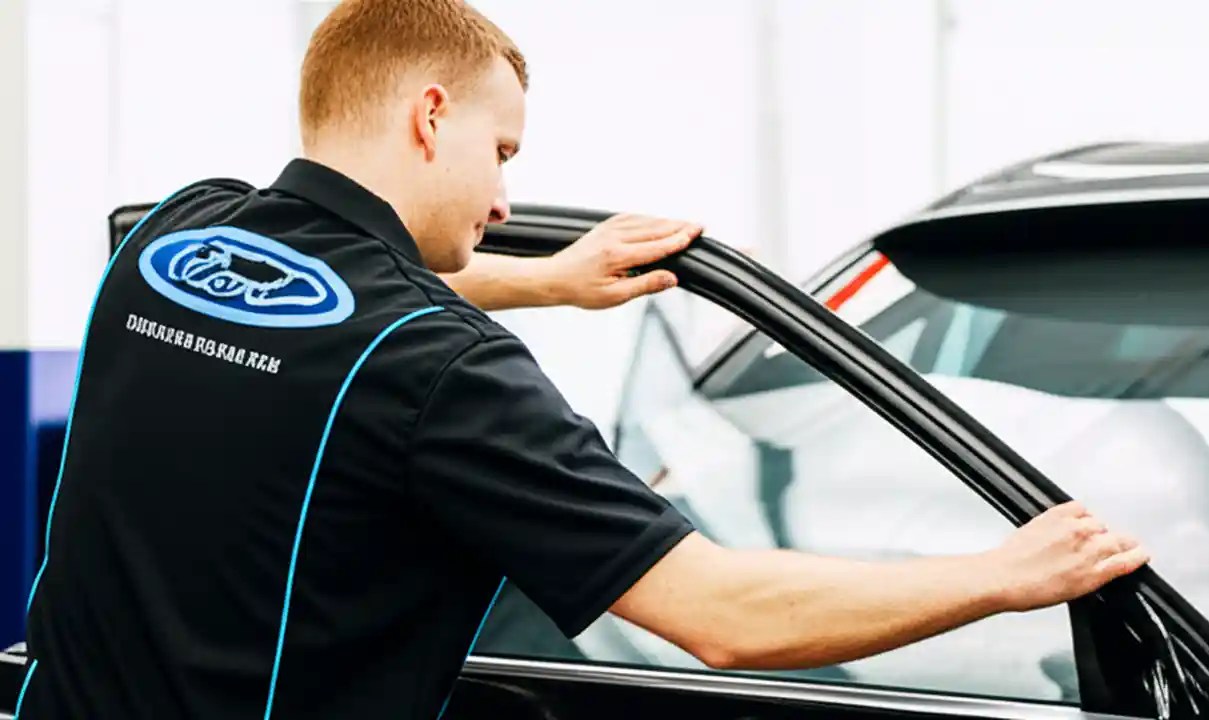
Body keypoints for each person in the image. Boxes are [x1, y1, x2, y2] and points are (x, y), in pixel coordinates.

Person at [18, 1, 1150, 718]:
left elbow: (322, 312)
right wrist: (1004, 576)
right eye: (500, 150)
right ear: (427, 116)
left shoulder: (171, 234)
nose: (507, 197)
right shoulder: (445, 373)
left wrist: (549, 277)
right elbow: (726, 615)